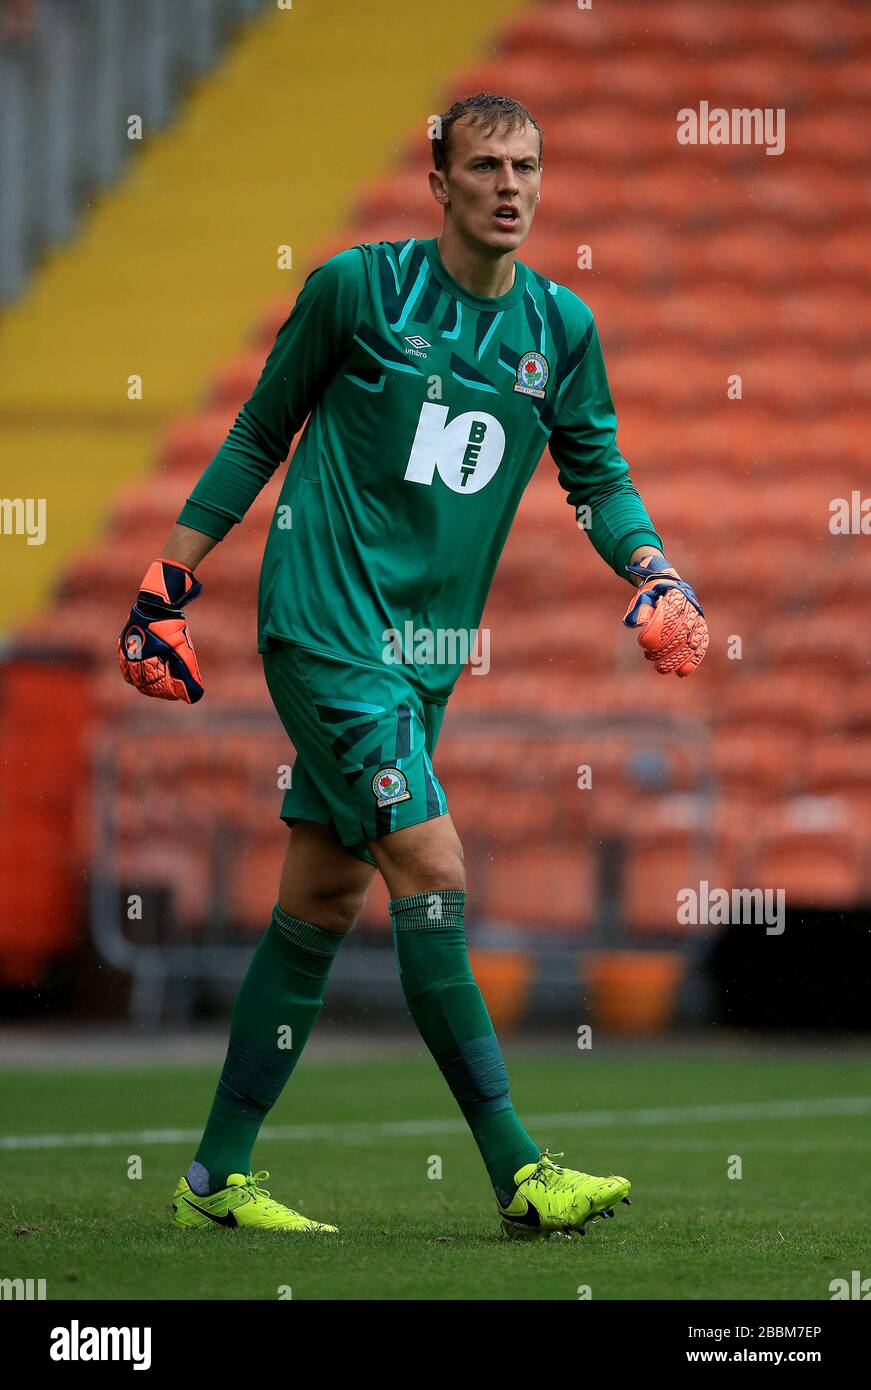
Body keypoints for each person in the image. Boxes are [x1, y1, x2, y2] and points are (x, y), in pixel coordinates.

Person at [118, 93, 708, 1239]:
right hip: (325, 629)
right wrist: (167, 583)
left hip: (419, 661)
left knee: (323, 900)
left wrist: (652, 569)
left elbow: (598, 470)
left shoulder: (561, 330)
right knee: (432, 864)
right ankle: (519, 1170)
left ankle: (213, 1182)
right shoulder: (359, 289)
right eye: (484, 164)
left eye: (526, 165)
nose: (509, 185)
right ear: (438, 182)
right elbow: (257, 432)